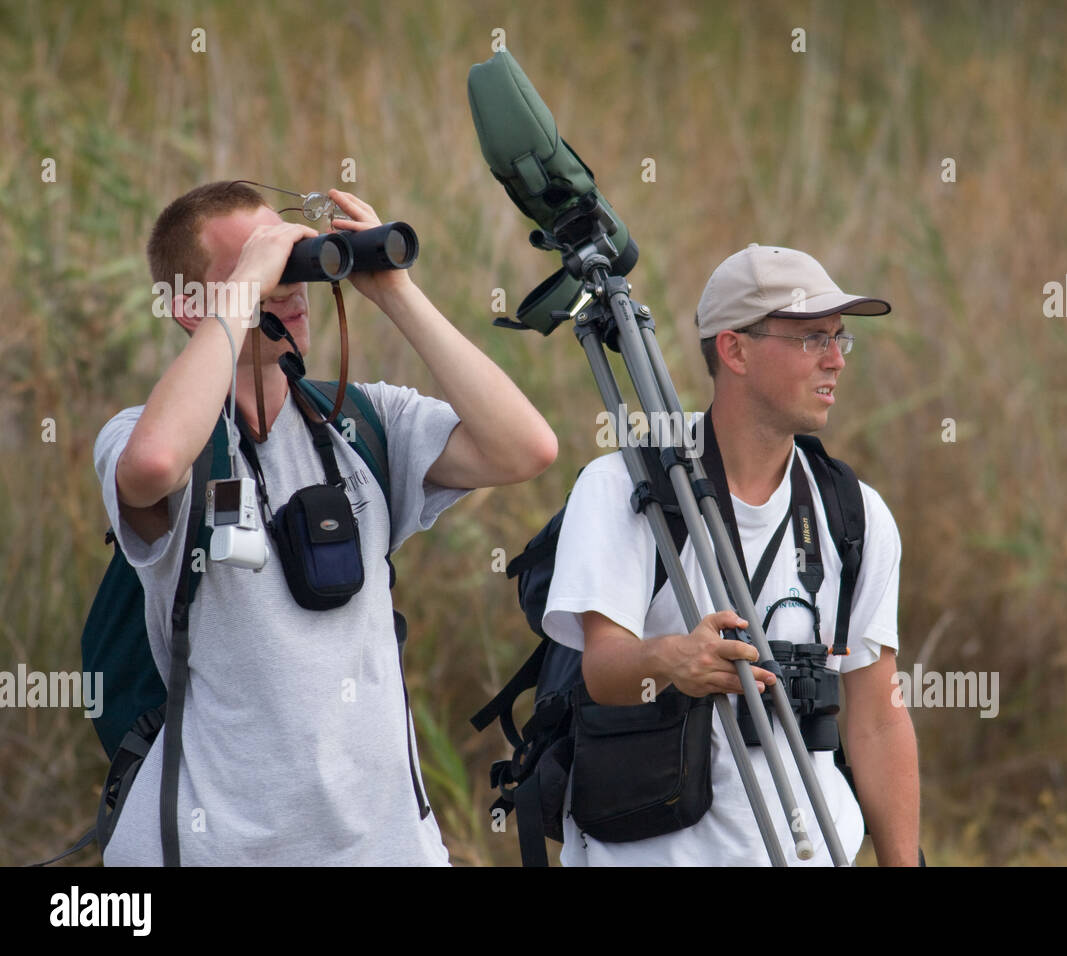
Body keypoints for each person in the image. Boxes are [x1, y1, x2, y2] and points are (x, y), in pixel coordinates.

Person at [93, 181, 557, 865]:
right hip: (217, 847)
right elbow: (156, 463)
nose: (287, 286)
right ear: (190, 307)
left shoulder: (362, 424)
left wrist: (394, 290)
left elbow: (527, 448)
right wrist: (247, 284)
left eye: (291, 265)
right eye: (256, 268)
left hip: (386, 846)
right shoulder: (143, 435)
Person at [542, 244, 920, 866]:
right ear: (734, 349)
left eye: (840, 340)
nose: (835, 361)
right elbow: (603, 673)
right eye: (811, 339)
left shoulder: (855, 514)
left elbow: (878, 718)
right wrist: (673, 659)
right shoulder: (626, 487)